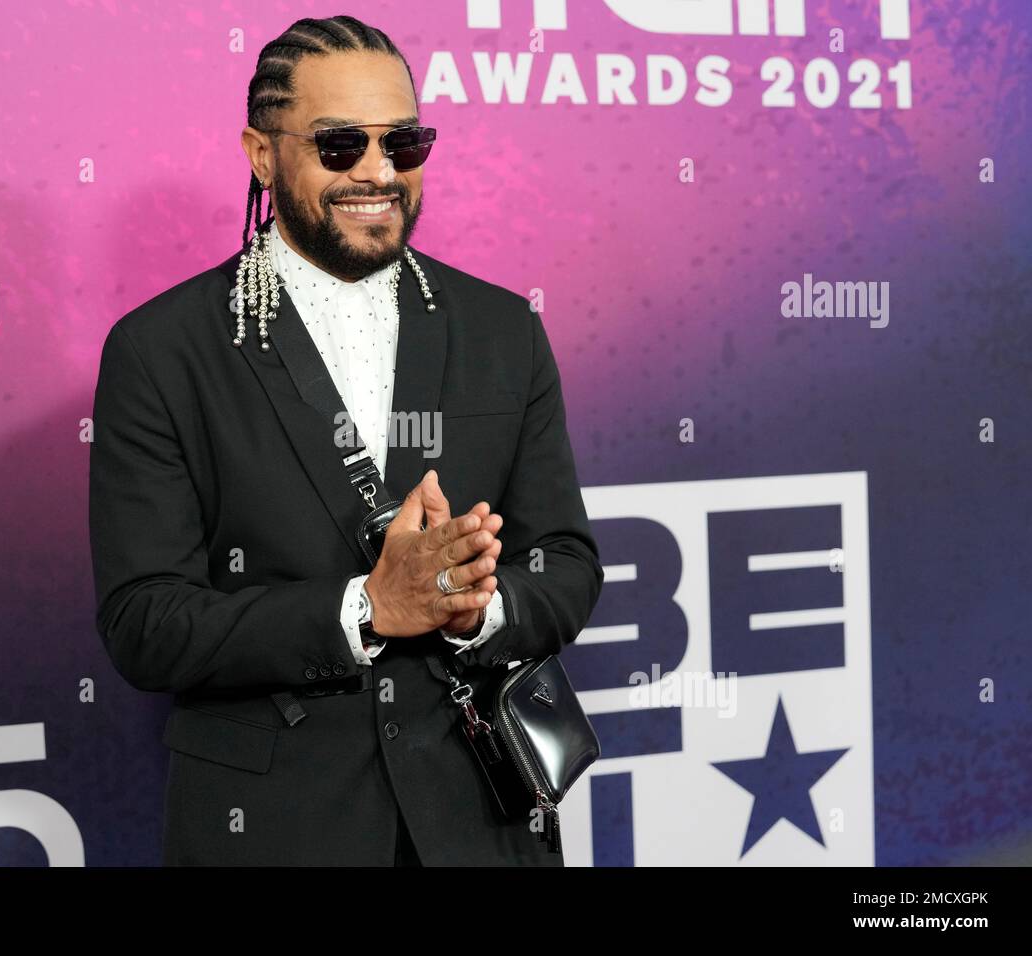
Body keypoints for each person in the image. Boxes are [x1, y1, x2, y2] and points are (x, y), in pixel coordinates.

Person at [88, 14, 602, 866]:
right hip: (274, 833)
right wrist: (365, 608)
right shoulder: (161, 350)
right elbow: (145, 622)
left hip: (482, 817)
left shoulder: (503, 329)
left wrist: (481, 606)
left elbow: (569, 563)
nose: (377, 170)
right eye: (339, 144)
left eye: (403, 142)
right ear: (262, 153)